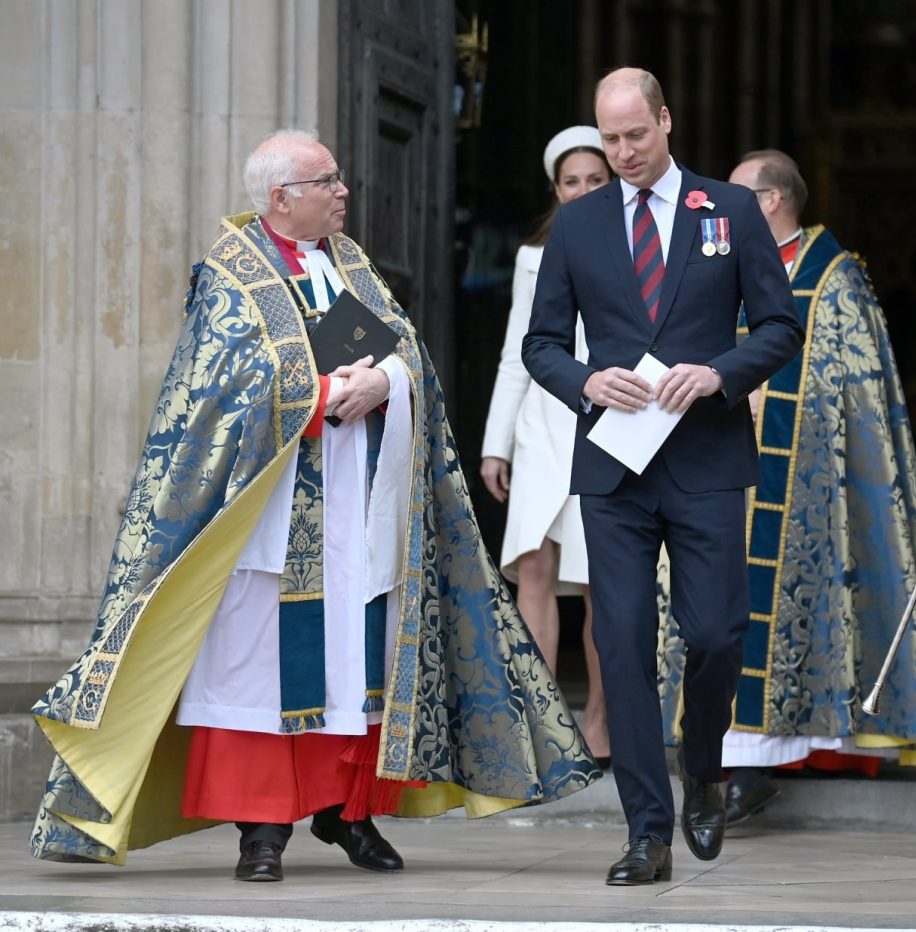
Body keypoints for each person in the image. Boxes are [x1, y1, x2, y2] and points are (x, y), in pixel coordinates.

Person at [28, 130, 597, 881]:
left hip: (361, 512)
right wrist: (326, 392)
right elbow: (214, 393)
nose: (343, 191)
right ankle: (261, 833)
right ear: (279, 199)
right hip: (271, 523)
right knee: (264, 677)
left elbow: (409, 353)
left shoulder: (352, 263)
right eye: (326, 180)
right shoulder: (232, 277)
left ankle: (347, 813)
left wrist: (386, 384)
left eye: (338, 178)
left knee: (358, 671)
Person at [522, 68, 804, 885]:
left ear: (666, 121)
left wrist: (720, 373)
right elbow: (542, 344)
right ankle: (647, 831)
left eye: (635, 136)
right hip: (614, 465)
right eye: (609, 140)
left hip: (706, 455)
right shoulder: (577, 228)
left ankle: (707, 768)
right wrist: (584, 382)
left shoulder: (730, 210)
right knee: (622, 641)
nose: (623, 153)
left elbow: (779, 324)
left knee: (715, 633)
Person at [714, 150, 916, 825]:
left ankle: (762, 760)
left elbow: (855, 397)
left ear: (769, 202)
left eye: (733, 198)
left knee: (796, 611)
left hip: (802, 485)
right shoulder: (724, 269)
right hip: (726, 477)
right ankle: (731, 753)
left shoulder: (833, 281)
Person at [480, 126, 612, 766]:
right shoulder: (534, 256)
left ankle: (600, 723)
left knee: (597, 583)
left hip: (608, 426)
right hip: (540, 425)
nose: (583, 191)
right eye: (571, 182)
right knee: (533, 566)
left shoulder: (632, 245)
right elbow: (516, 352)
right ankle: (543, 723)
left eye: (595, 179)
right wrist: (495, 443)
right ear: (555, 190)